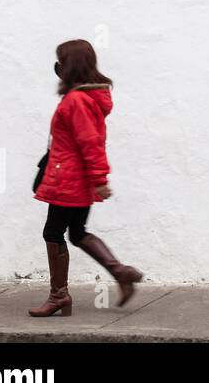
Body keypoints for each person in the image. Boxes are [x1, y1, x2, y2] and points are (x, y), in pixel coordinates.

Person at [28, 39, 143, 318]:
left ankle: (59, 296)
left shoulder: (77, 100)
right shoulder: (84, 96)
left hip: (69, 180)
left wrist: (100, 179)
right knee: (77, 232)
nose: (56, 68)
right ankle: (120, 273)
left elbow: (90, 142)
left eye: (60, 63)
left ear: (69, 67)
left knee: (53, 233)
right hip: (76, 180)